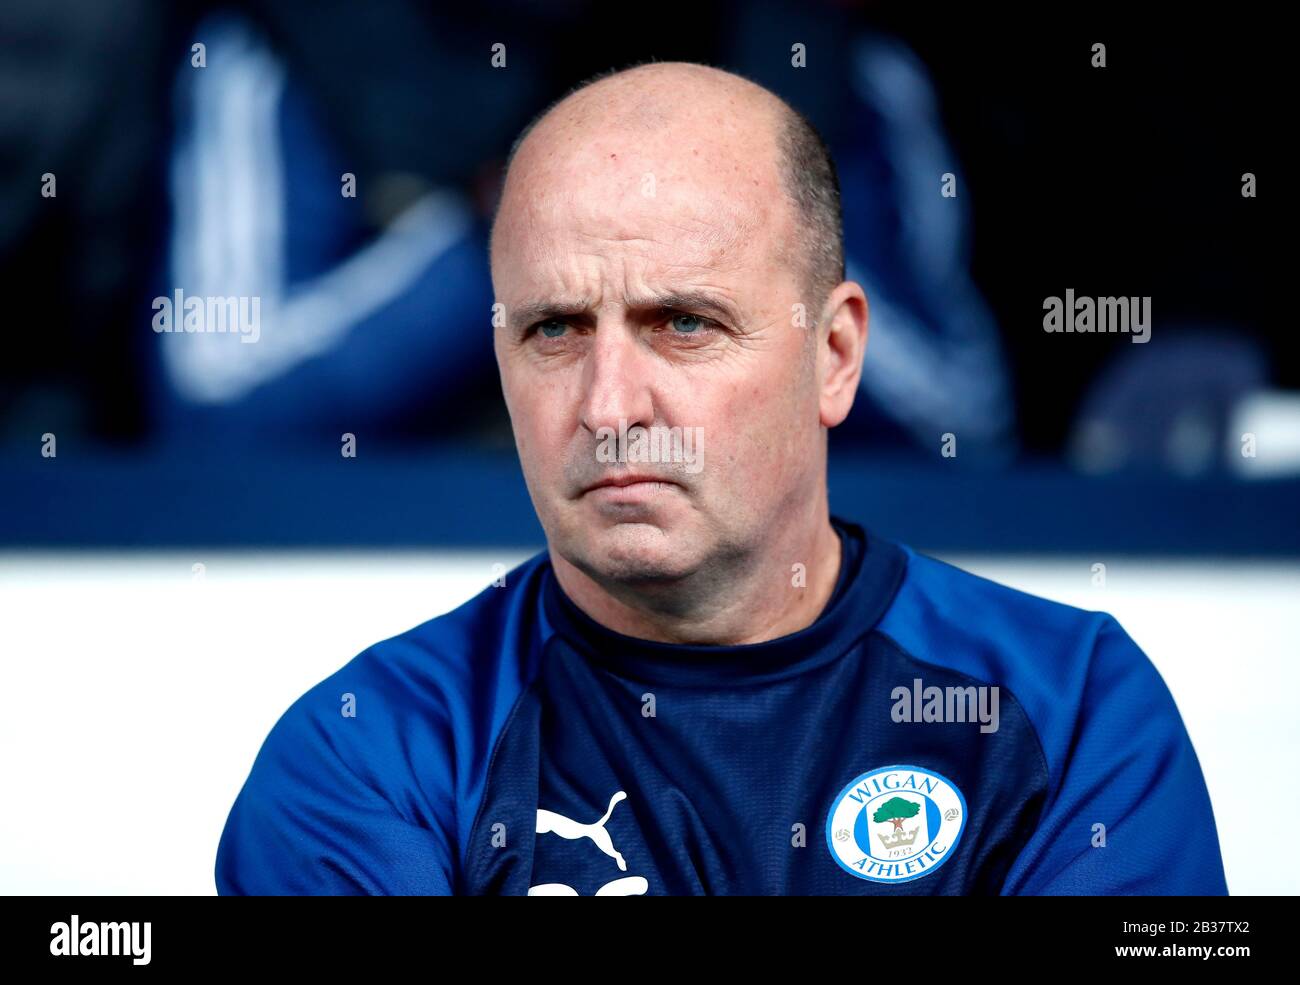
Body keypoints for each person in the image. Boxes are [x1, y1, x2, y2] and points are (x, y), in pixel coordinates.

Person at [215, 62, 1226, 895]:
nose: (610, 407)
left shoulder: (1074, 709)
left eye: (683, 324)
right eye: (554, 330)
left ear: (832, 355)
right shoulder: (364, 758)